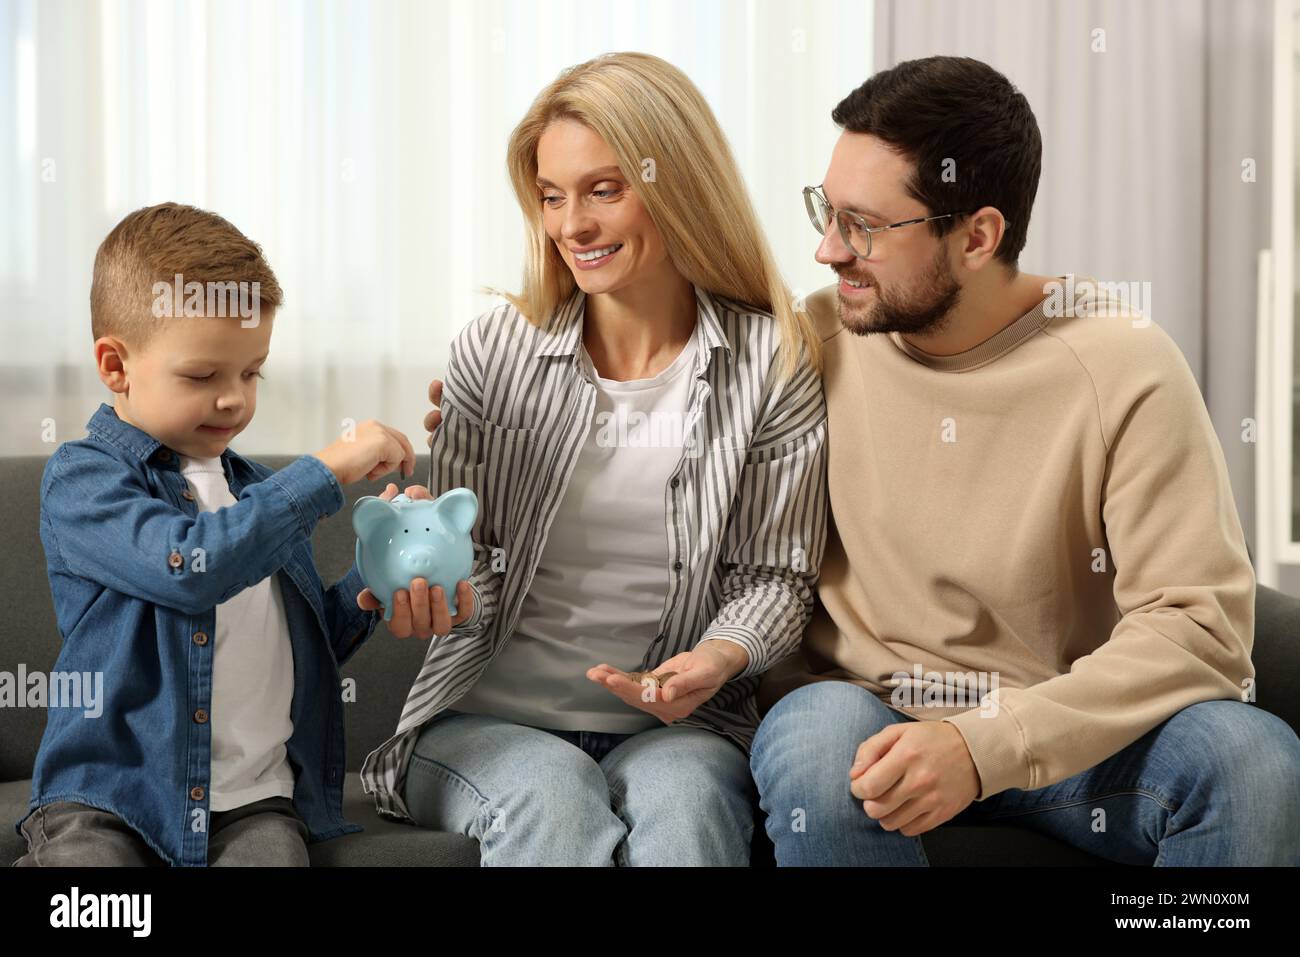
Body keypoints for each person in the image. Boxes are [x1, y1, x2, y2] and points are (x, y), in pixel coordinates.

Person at [752, 55, 1300, 866]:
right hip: (868, 715)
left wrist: (986, 745)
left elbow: (1200, 628)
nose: (830, 250)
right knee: (817, 746)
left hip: (1069, 731)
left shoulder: (1123, 364)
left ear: (977, 236)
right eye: (825, 212)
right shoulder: (813, 341)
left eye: (864, 225)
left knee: (1250, 761)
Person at [360, 52, 829, 866]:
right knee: (554, 803)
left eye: (603, 190)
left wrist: (718, 659)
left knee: (687, 814)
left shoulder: (772, 360)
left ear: (680, 183)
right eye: (551, 196)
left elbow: (774, 577)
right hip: (489, 718)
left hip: (678, 727)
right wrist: (432, 588)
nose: (571, 225)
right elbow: (473, 553)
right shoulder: (495, 350)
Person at [15, 202, 419, 866]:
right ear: (116, 366)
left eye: (250, 371)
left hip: (252, 802)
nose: (234, 398)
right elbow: (190, 566)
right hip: (110, 796)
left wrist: (376, 575)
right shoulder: (83, 479)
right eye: (203, 375)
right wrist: (325, 469)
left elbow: (302, 641)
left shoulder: (256, 491)